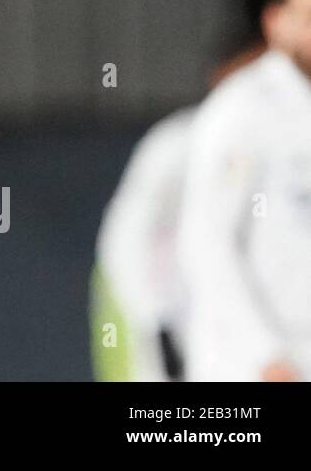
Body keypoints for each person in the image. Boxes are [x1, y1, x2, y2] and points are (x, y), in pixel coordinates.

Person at [174, 0, 311, 381]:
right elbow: (206, 242)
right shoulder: (243, 109)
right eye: (309, 17)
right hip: (252, 368)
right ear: (275, 22)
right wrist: (265, 356)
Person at [91, 42, 264, 381]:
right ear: (220, 77)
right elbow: (126, 237)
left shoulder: (273, 148)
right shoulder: (176, 143)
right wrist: (155, 321)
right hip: (141, 311)